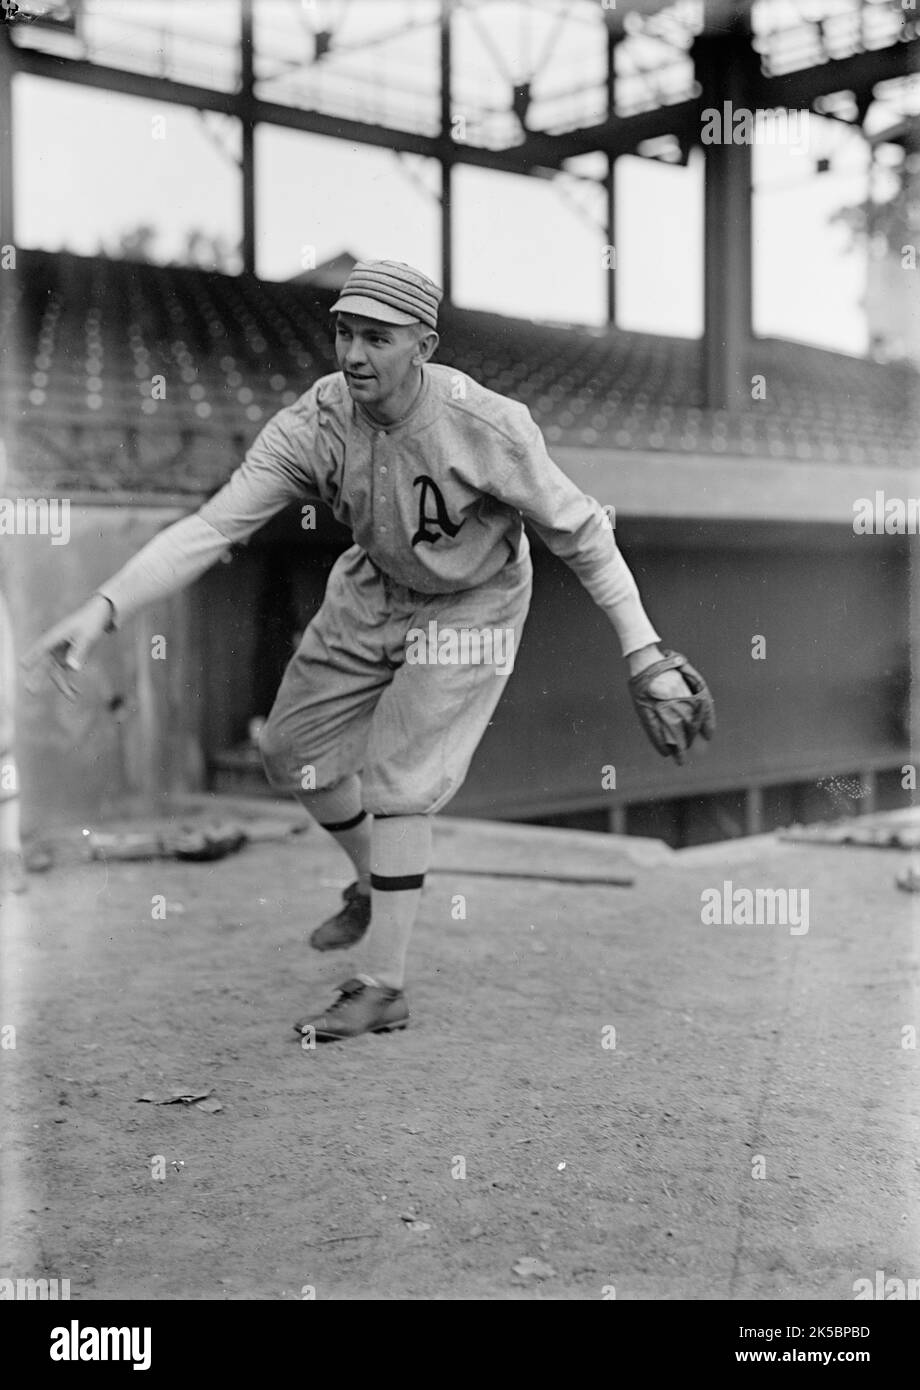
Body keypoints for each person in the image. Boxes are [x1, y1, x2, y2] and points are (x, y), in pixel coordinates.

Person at [23, 259, 713, 1039]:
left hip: (474, 600)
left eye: (377, 339)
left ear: (423, 346)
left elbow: (585, 536)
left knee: (398, 779)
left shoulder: (484, 423)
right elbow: (214, 527)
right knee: (292, 752)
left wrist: (643, 650)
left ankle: (382, 983)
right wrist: (101, 608)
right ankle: (369, 880)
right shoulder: (317, 421)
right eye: (345, 333)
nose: (354, 354)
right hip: (376, 584)